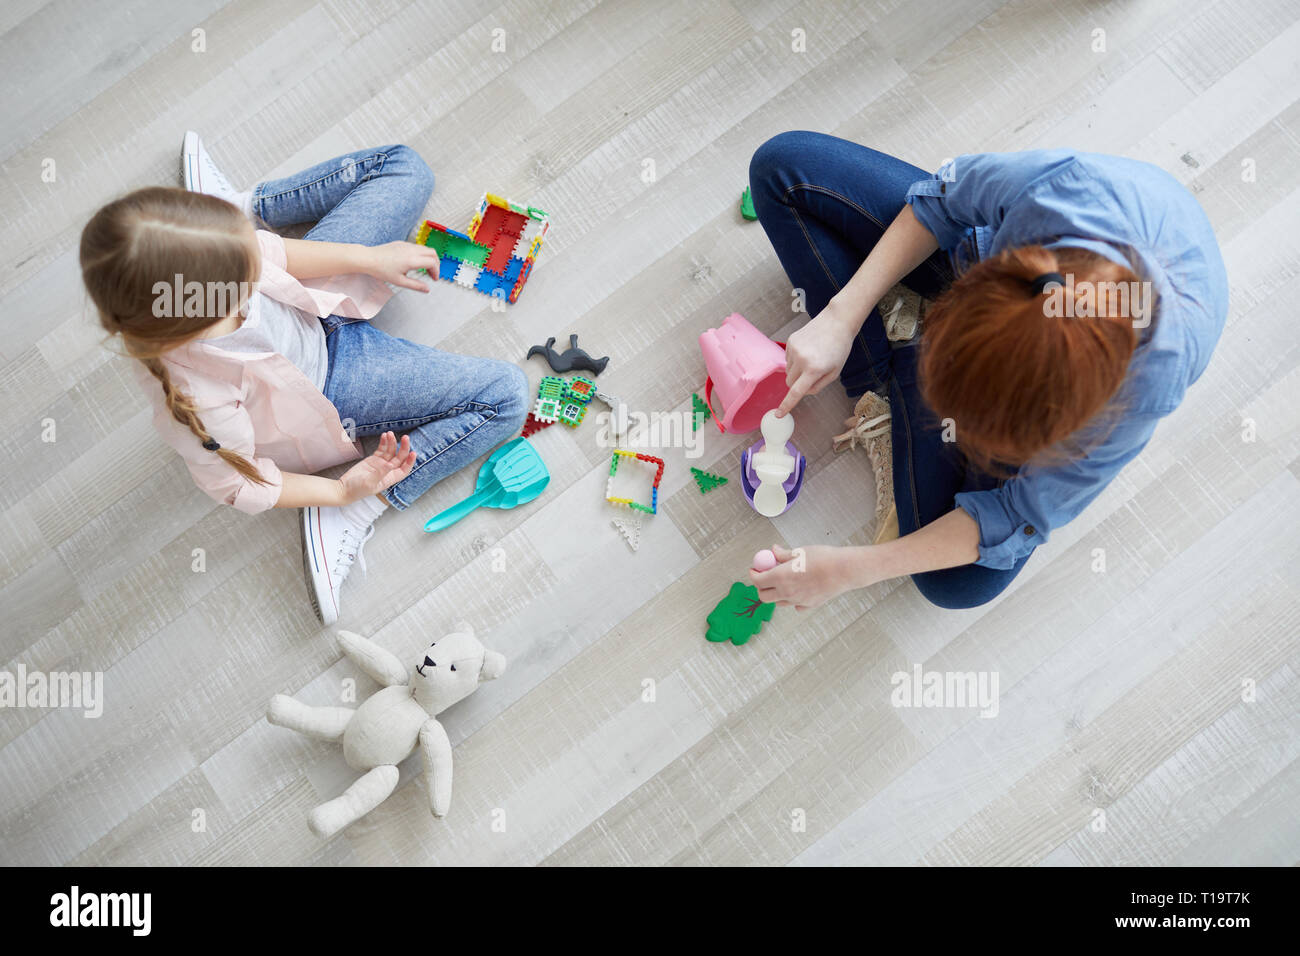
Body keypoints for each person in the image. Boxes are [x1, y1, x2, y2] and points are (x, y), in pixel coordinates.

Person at [746, 132, 1228, 610]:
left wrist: (850, 570)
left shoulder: (1139, 396)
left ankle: (893, 373)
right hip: (999, 259)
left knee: (958, 585)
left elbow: (1020, 512)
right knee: (782, 167)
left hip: (1090, 373)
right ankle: (883, 382)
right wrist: (841, 316)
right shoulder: (1060, 191)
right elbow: (942, 203)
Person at [80, 134, 528, 624]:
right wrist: (341, 493)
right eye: (241, 263)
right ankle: (358, 512)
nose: (253, 258)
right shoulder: (196, 398)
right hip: (330, 382)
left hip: (311, 302)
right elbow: (238, 484)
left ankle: (244, 203)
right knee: (506, 397)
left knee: (405, 166)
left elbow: (278, 256)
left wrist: (366, 259)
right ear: (198, 309)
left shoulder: (207, 283)